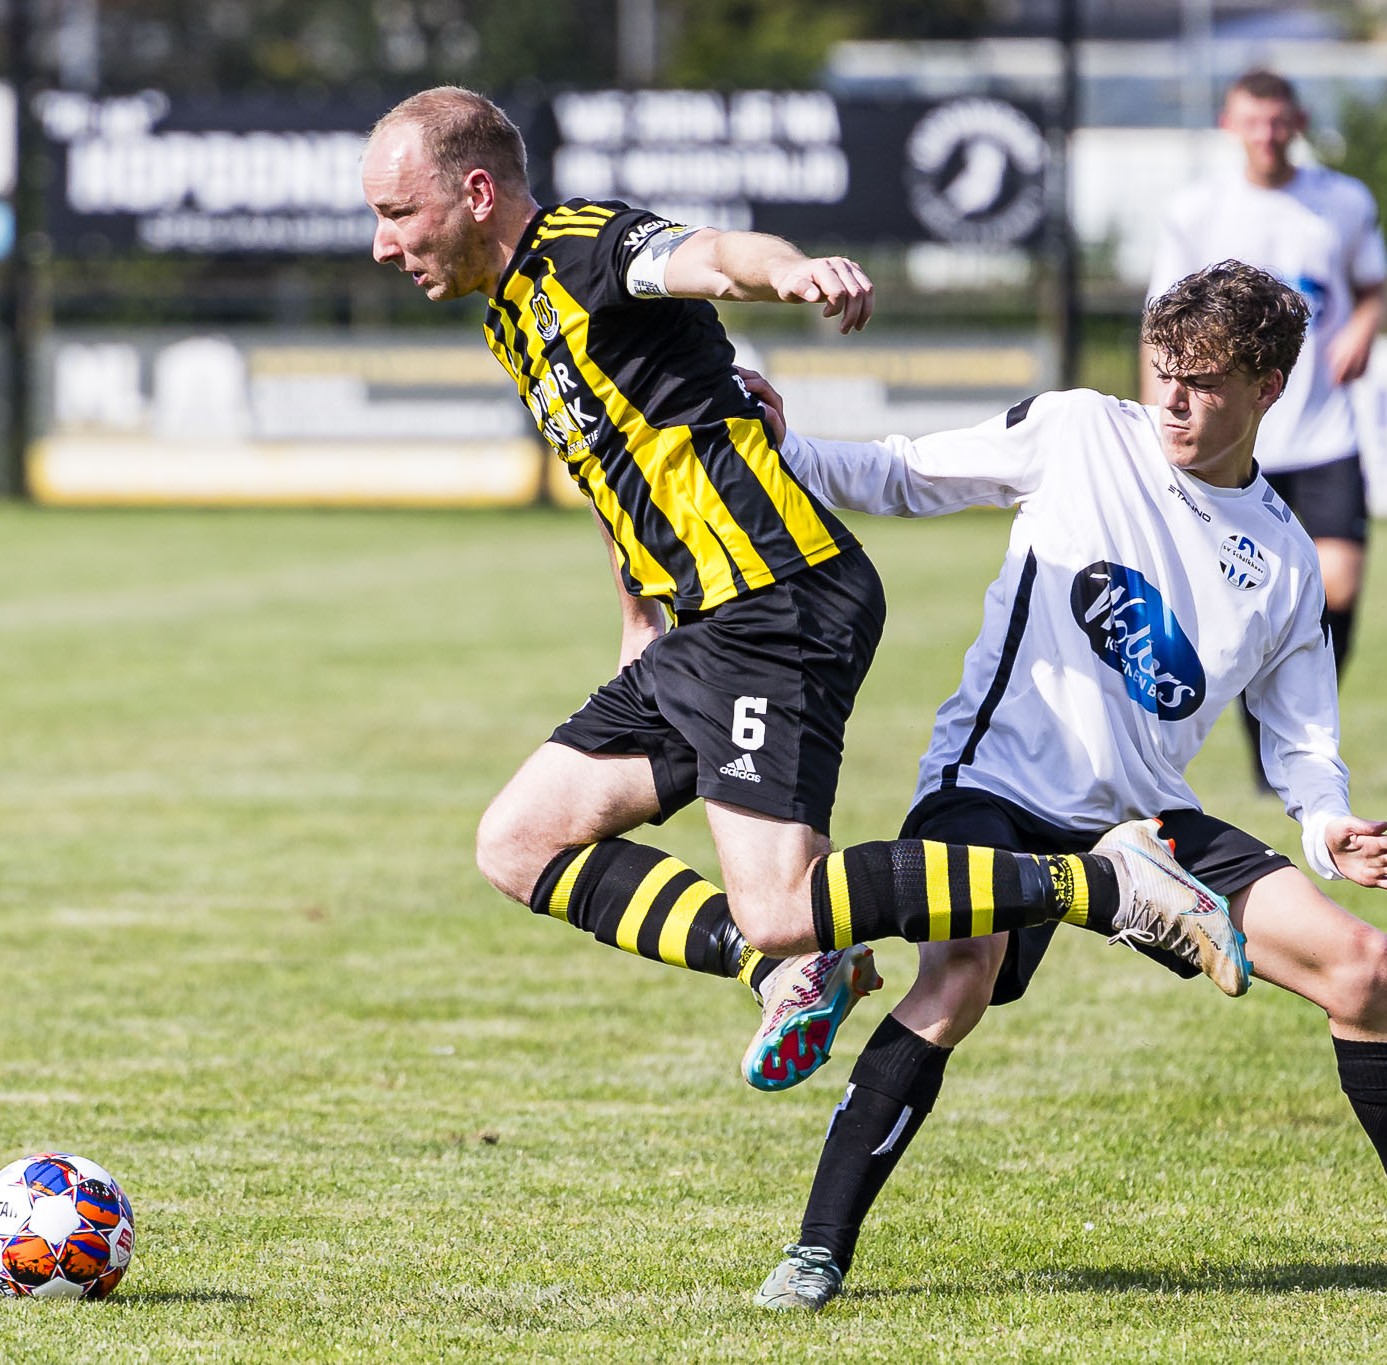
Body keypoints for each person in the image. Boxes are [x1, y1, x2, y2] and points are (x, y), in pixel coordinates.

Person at [360, 86, 1252, 1093]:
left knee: (781, 896)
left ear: (476, 192)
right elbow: (613, 469)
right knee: (517, 843)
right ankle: (786, 968)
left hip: (774, 602)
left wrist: (788, 273)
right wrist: (634, 624)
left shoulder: (584, 247)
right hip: (693, 630)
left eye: (396, 215)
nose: (384, 245)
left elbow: (711, 254)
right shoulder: (509, 317)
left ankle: (1108, 882)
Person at [745, 260, 1387, 1306]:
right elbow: (897, 473)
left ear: (1266, 389)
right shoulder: (1078, 433)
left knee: (1364, 969)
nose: (1174, 401)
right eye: (1161, 373)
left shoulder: (1283, 557)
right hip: (995, 788)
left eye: (1201, 380)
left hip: (1144, 828)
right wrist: (775, 442)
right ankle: (816, 1249)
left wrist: (1326, 824)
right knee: (961, 972)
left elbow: (1299, 741)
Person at [1144, 69, 1387, 790]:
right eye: (1253, 121)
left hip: (1322, 425)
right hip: (1236, 438)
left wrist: (1365, 330)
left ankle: (1298, 724)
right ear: (1230, 123)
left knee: (1336, 582)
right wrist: (1159, 407)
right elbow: (1159, 321)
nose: (1267, 134)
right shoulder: (1197, 209)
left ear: (1299, 121)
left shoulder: (1342, 201)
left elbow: (1373, 287)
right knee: (1242, 595)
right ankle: (1273, 746)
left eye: (1279, 121)